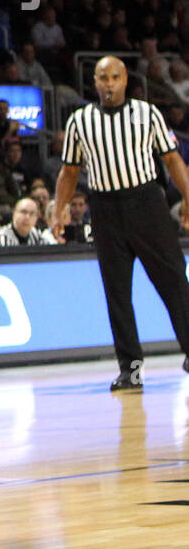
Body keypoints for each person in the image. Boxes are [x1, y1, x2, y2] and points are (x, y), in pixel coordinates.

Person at [53, 56, 189, 390]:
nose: (110, 83)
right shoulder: (80, 120)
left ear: (126, 79)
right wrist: (59, 211)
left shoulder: (147, 113)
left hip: (147, 204)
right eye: (103, 78)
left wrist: (188, 197)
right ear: (95, 82)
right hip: (105, 209)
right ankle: (130, 368)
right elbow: (69, 171)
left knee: (174, 282)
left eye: (115, 77)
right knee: (117, 291)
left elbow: (172, 159)